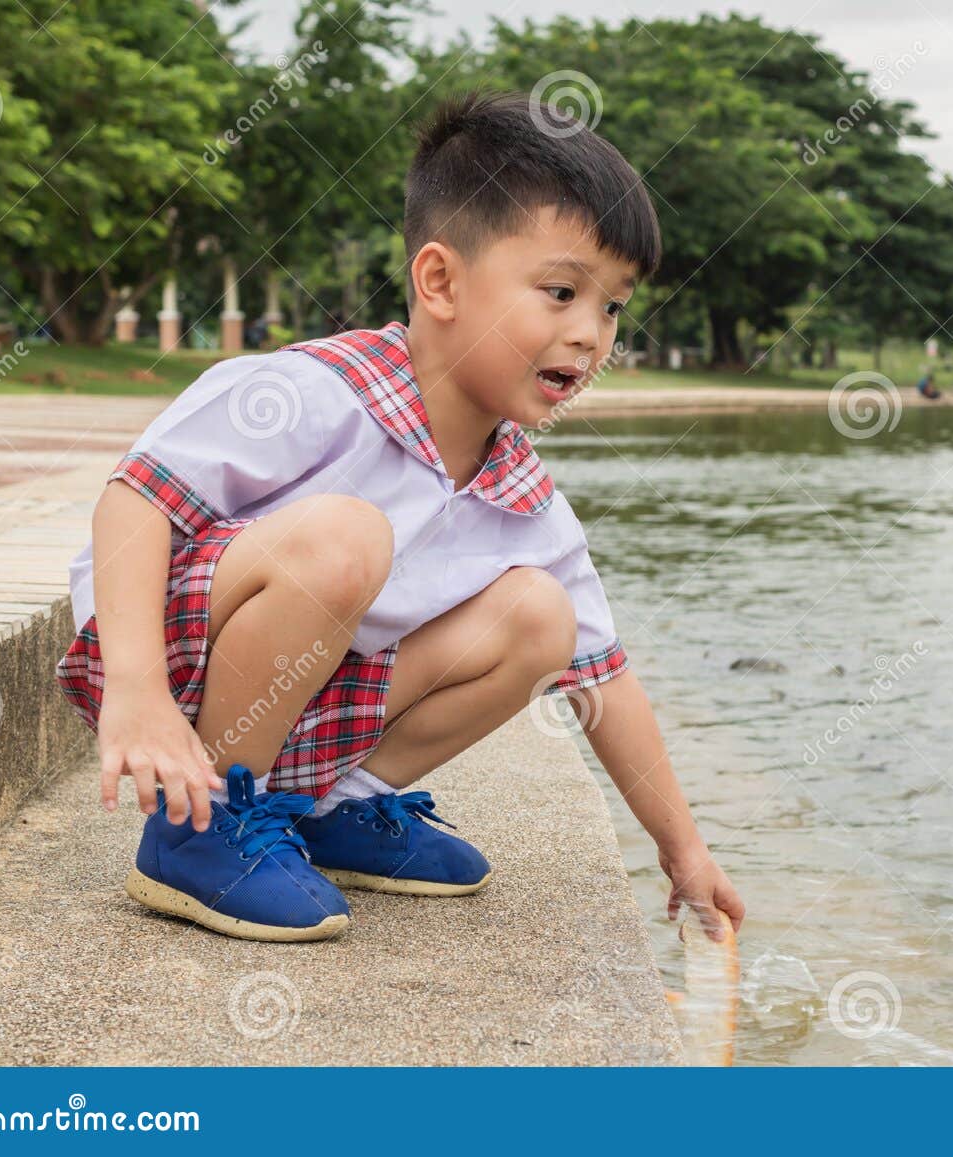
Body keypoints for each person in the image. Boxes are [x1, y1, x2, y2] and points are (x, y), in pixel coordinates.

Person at [54, 90, 745, 944]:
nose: (591, 333)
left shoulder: (522, 496)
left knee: (545, 618)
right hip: (168, 669)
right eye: (561, 291)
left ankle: (327, 808)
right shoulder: (316, 394)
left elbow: (605, 682)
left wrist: (684, 852)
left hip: (307, 698)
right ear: (441, 280)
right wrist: (138, 689)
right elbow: (135, 497)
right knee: (346, 537)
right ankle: (198, 830)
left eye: (612, 306)